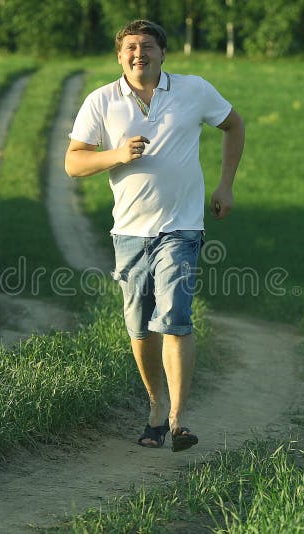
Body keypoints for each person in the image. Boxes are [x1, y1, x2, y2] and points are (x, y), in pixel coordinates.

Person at [65, 19, 244, 452]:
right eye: (130, 47)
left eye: (147, 46)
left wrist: (225, 186)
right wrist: (116, 155)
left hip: (181, 227)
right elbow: (73, 162)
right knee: (140, 327)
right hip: (129, 231)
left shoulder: (193, 90)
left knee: (175, 317)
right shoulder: (101, 100)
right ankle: (156, 405)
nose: (138, 53)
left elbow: (234, 125)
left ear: (163, 53)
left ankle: (179, 419)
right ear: (119, 56)